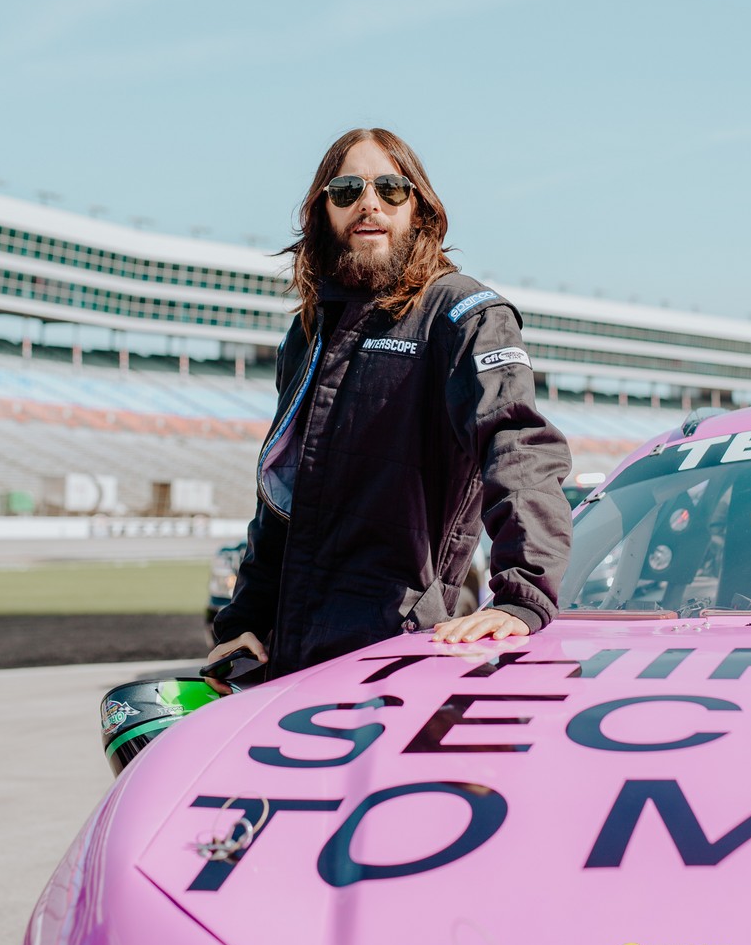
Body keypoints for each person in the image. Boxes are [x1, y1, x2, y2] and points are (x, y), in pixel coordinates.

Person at [205, 127, 572, 691]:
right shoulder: (308, 334)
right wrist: (245, 619)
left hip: (399, 653)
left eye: (391, 188)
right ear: (323, 210)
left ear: (418, 208)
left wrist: (523, 596)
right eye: (347, 189)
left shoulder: (462, 313)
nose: (369, 203)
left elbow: (518, 445)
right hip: (293, 653)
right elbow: (281, 497)